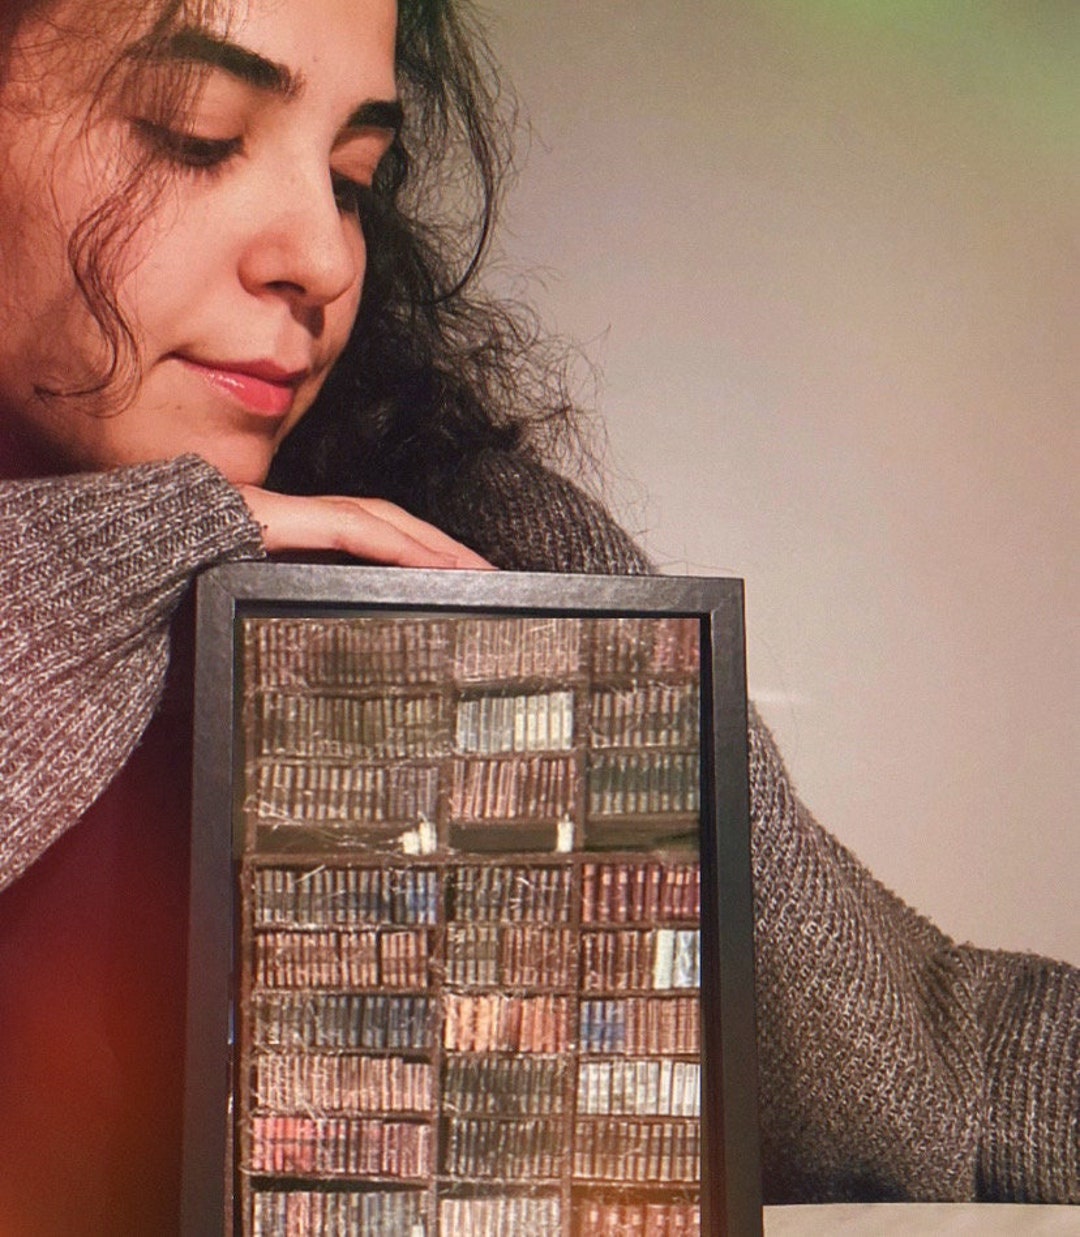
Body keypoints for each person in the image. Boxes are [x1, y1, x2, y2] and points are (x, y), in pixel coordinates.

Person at [0, 0, 1075, 1231]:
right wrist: (120, 551)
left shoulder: (458, 543)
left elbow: (933, 1055)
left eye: (353, 179)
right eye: (192, 134)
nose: (325, 257)